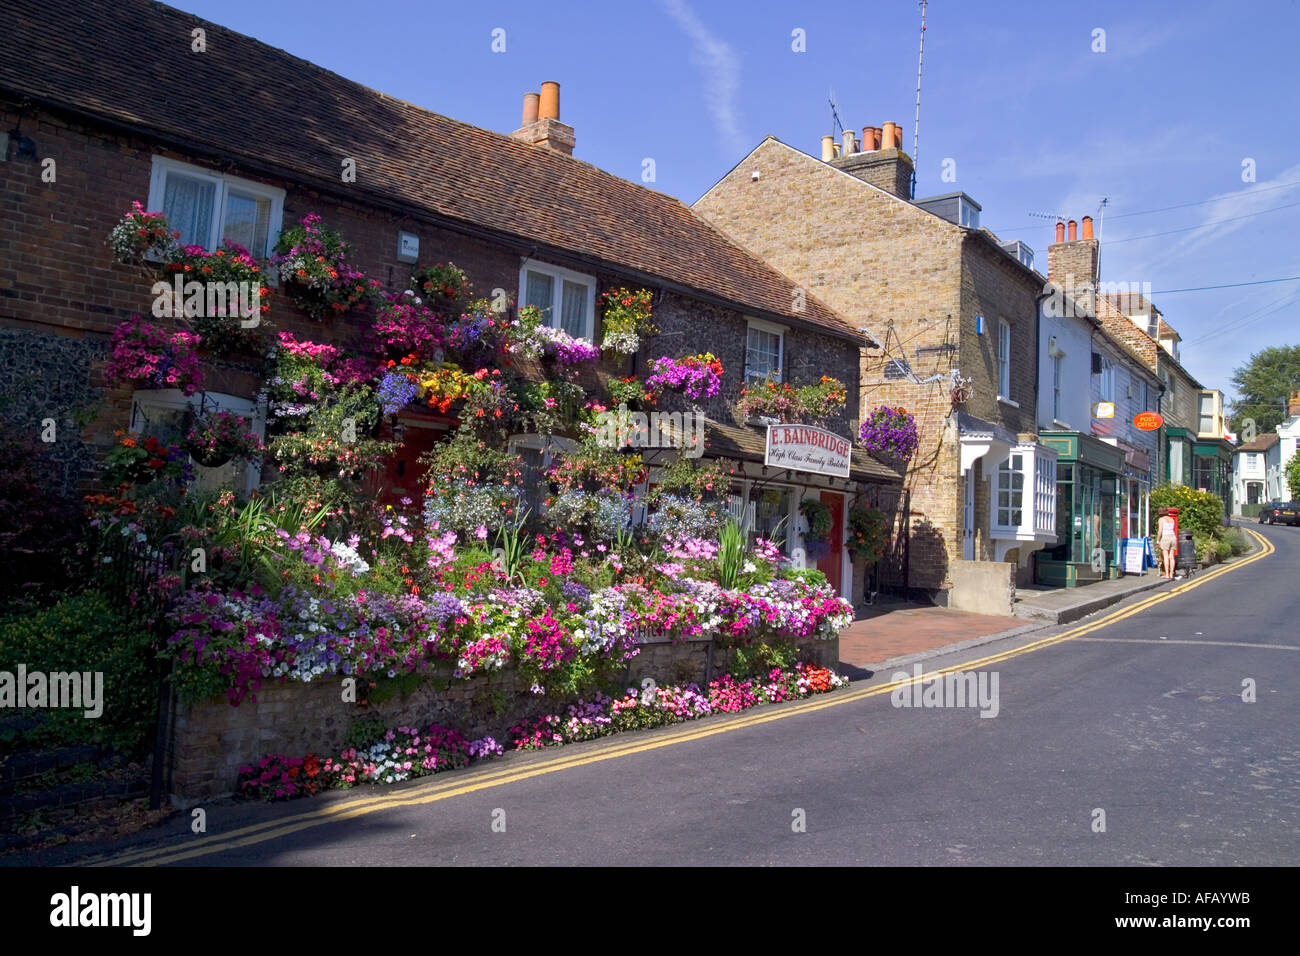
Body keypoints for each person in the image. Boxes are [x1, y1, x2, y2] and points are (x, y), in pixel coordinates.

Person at [1156, 506, 1178, 579]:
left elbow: (1160, 531)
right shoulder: (1172, 519)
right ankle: (1172, 574)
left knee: (1165, 556)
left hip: (1165, 537)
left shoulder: (1161, 519)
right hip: (1173, 537)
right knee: (1171, 557)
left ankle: (1167, 574)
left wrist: (1158, 540)